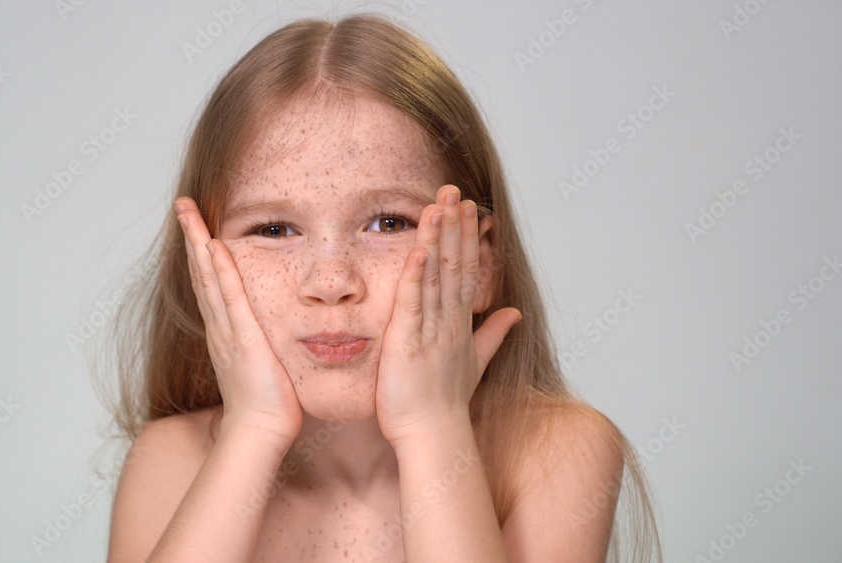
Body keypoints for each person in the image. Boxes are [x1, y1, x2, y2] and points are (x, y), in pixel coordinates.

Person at [101, 12, 661, 562]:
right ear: (202, 268)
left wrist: (432, 427)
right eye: (274, 229)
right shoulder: (172, 461)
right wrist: (253, 430)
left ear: (479, 265)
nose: (331, 282)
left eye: (388, 223)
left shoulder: (555, 452)